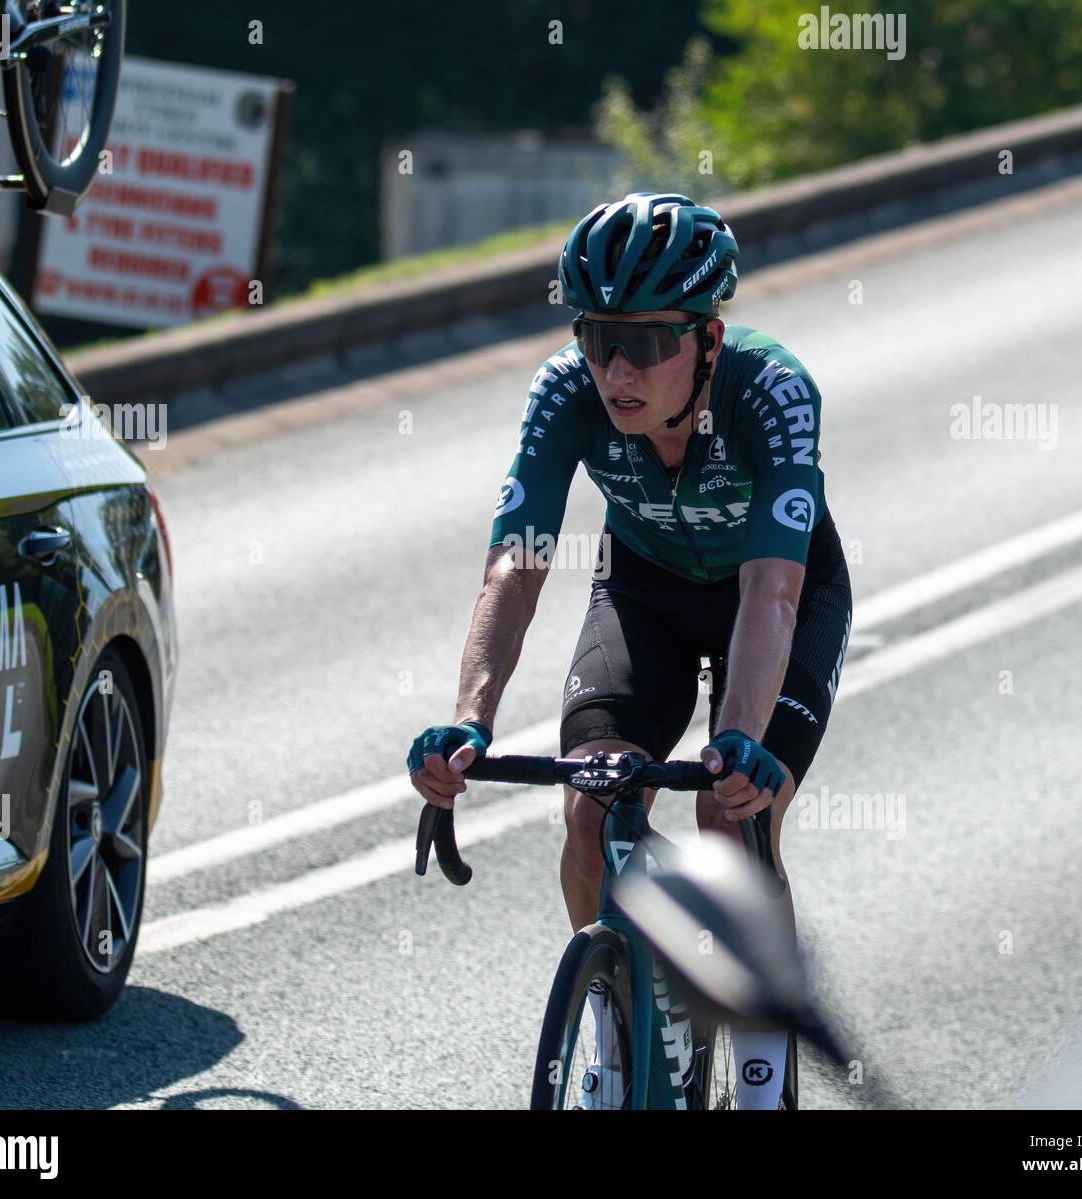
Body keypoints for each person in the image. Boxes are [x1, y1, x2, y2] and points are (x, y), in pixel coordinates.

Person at [407, 192, 852, 1109]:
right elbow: (515, 567)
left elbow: (772, 592)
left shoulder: (773, 391)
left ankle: (764, 1066)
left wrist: (736, 738)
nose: (615, 367)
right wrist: (470, 718)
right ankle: (621, 1005)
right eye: (594, 334)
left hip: (772, 597)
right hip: (644, 591)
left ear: (708, 341)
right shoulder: (565, 390)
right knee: (593, 801)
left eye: (646, 342)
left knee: (733, 819)